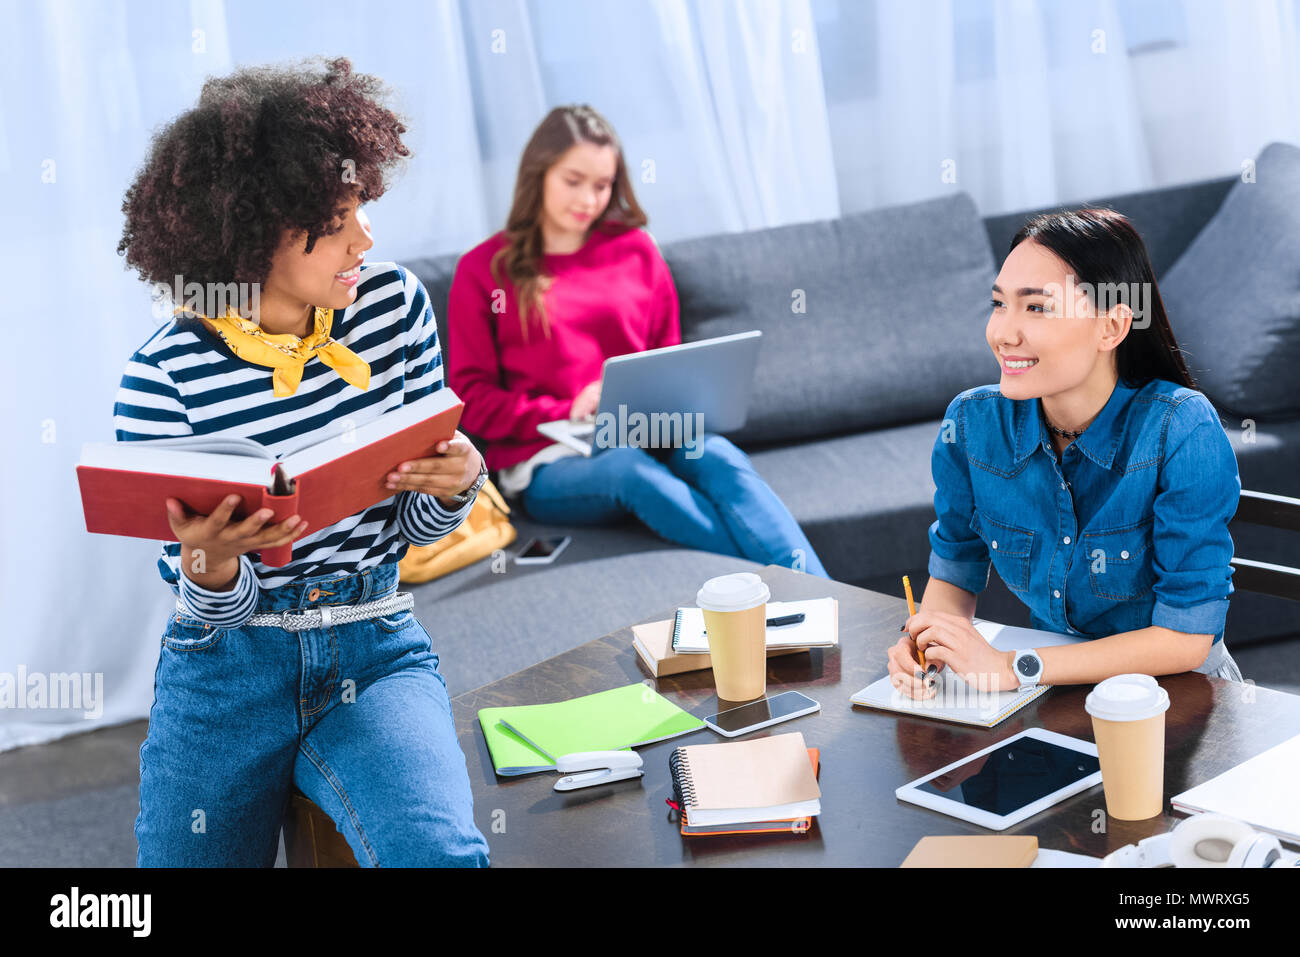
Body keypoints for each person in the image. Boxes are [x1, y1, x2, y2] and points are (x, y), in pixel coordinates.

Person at [115, 57, 490, 866]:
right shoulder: (164, 373)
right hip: (229, 670)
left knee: (439, 855)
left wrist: (458, 483)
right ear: (252, 233)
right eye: (338, 219)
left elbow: (413, 526)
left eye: (364, 209)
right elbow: (196, 588)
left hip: (374, 640)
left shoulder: (392, 308)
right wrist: (210, 570)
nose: (366, 238)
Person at [447, 104, 827, 577]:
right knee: (631, 473)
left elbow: (670, 358)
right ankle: (790, 594)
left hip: (648, 431)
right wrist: (566, 410)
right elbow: (472, 402)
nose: (588, 198)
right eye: (573, 180)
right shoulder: (483, 270)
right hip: (547, 459)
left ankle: (825, 601)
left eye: (602, 185)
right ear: (538, 173)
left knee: (721, 458)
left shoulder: (635, 250)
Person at [888, 207, 1242, 699]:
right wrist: (928, 643)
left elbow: (1185, 638)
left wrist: (1014, 666)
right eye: (998, 304)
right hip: (1056, 693)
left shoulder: (1180, 428)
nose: (1003, 333)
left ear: (1111, 327)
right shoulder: (971, 425)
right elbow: (955, 565)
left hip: (1178, 702)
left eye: (1036, 308)